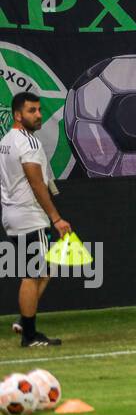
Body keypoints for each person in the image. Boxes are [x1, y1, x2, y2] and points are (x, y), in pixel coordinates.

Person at [0, 92, 71, 348]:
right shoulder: (27, 143)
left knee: (47, 266)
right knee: (32, 274)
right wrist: (56, 218)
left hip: (12, 214)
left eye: (39, 109)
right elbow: (36, 183)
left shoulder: (7, 140)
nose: (39, 114)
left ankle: (24, 321)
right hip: (30, 215)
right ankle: (29, 335)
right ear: (18, 115)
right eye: (32, 110)